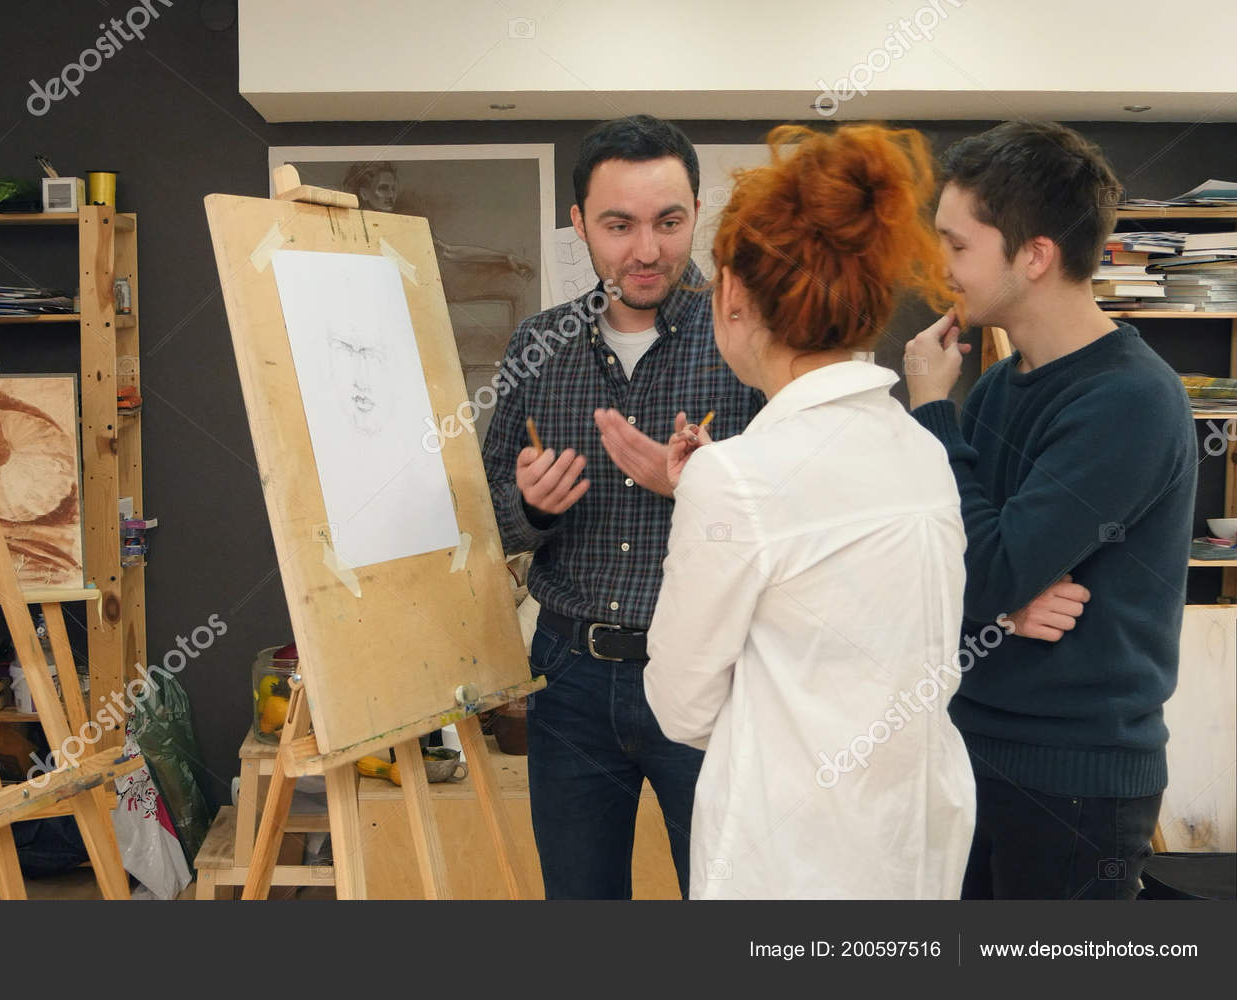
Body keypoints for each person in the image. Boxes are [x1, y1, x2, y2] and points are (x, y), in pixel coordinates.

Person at [634, 123, 976, 899]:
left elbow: (680, 703)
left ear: (730, 296)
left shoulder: (739, 477)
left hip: (790, 861)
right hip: (914, 844)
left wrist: (712, 493)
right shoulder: (921, 452)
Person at [903, 121, 1196, 900]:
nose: (943, 267)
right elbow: (949, 561)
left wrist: (934, 412)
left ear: (1034, 255)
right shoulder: (1002, 384)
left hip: (1075, 789)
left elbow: (988, 565)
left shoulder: (1130, 398)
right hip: (975, 748)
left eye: (958, 245)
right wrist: (997, 598)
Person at [481, 115, 764, 899]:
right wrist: (529, 512)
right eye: (619, 225)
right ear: (579, 226)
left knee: (728, 897)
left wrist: (709, 491)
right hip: (569, 678)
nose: (647, 250)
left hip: (714, 673)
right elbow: (482, 516)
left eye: (669, 222)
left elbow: (804, 511)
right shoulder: (538, 348)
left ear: (697, 211)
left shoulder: (751, 339)